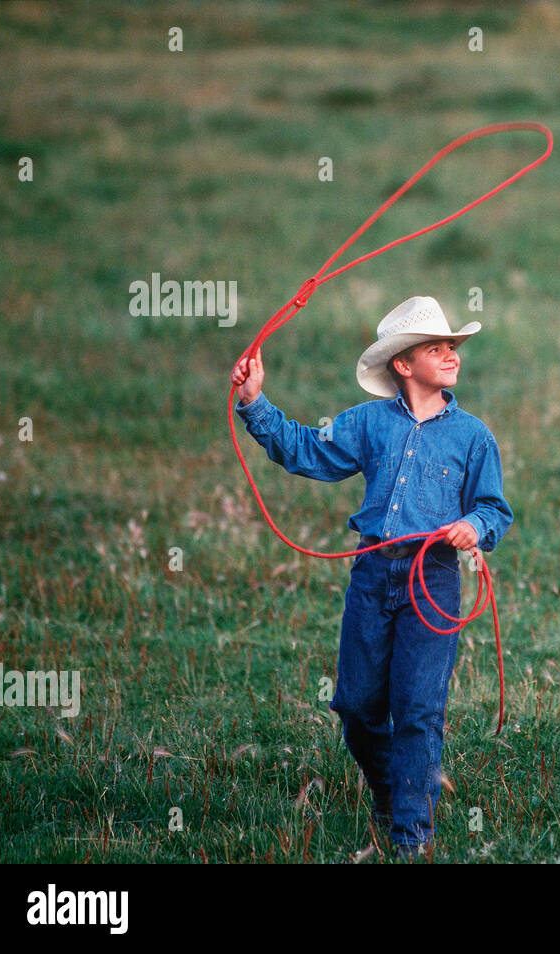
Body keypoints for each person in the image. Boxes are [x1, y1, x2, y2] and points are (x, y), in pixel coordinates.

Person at [230, 295, 513, 859]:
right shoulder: (366, 423)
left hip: (432, 582)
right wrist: (255, 401)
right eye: (437, 348)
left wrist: (471, 527)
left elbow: (494, 509)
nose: (451, 355)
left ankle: (410, 835)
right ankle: (394, 786)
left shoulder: (473, 436)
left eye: (452, 346)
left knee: (418, 708)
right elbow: (307, 450)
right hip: (371, 576)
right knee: (356, 706)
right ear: (403, 365)